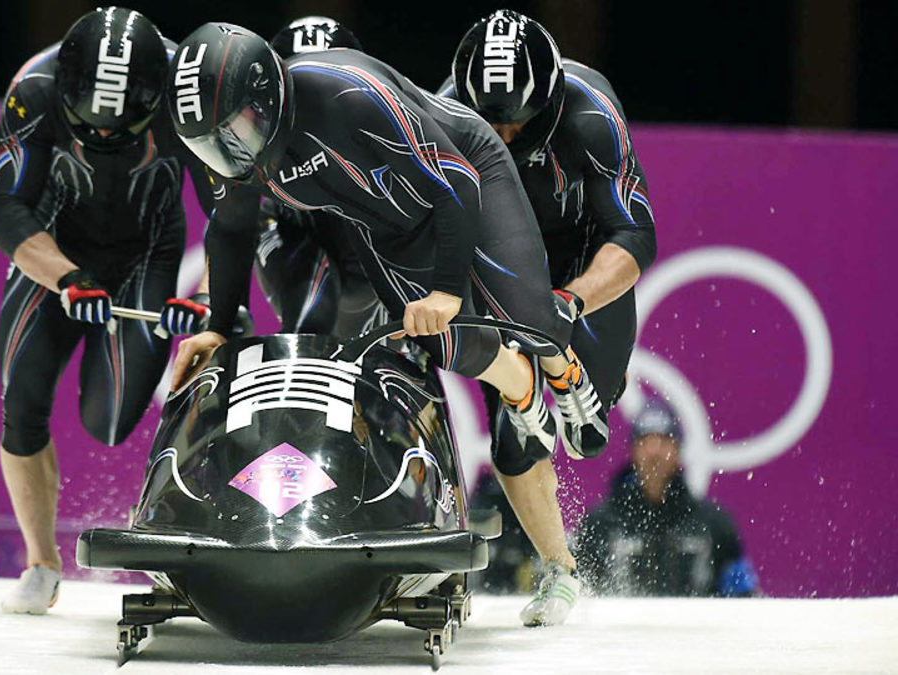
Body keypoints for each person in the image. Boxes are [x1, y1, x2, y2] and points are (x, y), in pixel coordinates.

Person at [165, 26, 611, 521]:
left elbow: (455, 180)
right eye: (212, 147)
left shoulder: (348, 97)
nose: (232, 159)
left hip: (467, 172)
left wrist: (445, 290)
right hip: (383, 225)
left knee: (528, 317)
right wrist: (216, 327)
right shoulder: (237, 151)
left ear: (268, 96)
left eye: (236, 134)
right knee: (446, 345)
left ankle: (562, 369)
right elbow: (229, 231)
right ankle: (522, 389)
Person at [0, 7, 213, 614]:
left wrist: (210, 298)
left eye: (125, 127)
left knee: (107, 421)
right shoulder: (34, 88)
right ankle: (40, 563)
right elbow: (5, 210)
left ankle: (186, 526)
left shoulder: (188, 89)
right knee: (23, 398)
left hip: (146, 256)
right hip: (57, 253)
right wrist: (66, 276)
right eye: (89, 126)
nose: (106, 138)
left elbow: (233, 214)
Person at [441, 10, 658, 625]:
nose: (502, 138)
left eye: (515, 123)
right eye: (490, 122)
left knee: (589, 430)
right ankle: (560, 569)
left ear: (549, 100)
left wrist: (575, 298)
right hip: (503, 260)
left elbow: (635, 234)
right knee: (513, 440)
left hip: (581, 254)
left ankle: (563, 370)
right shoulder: (444, 111)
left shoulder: (591, 115)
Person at [254, 16, 387, 337]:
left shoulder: (387, 121)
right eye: (297, 91)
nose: (311, 109)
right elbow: (227, 221)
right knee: (309, 314)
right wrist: (213, 304)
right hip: (290, 233)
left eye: (323, 87)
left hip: (369, 255)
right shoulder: (250, 132)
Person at [575, 402, 760, 596]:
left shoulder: (714, 524)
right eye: (645, 441)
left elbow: (744, 596)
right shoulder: (600, 523)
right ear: (633, 450)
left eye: (664, 441)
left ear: (678, 450)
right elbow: (581, 591)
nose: (654, 451)